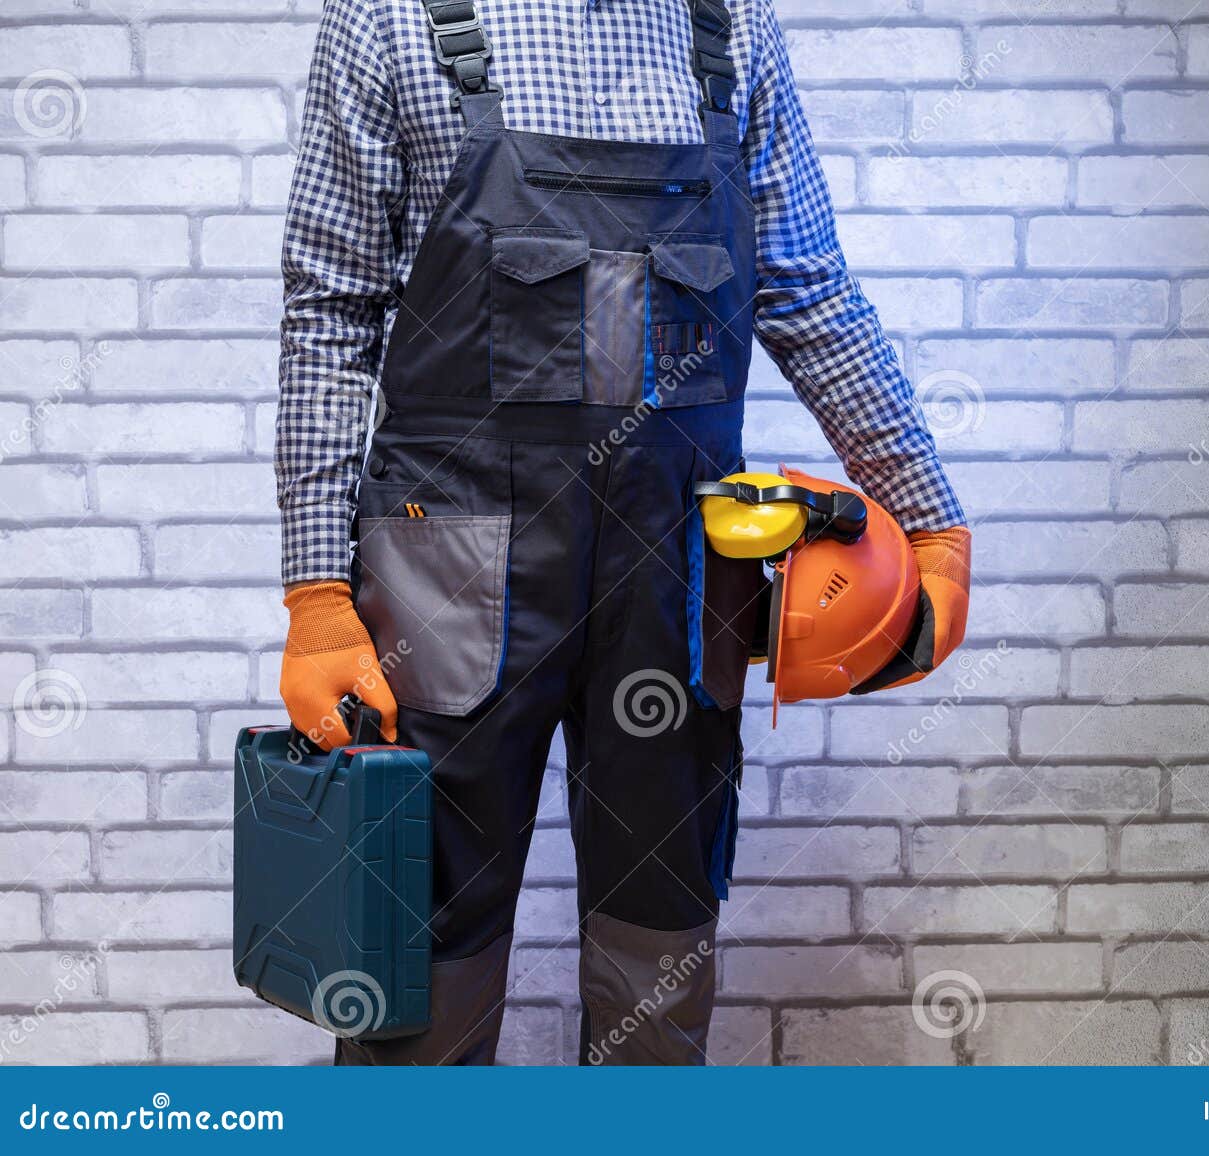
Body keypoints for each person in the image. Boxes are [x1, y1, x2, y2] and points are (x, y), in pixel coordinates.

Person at [274, 0, 970, 1065]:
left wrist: (925, 516)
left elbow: (804, 282)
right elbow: (332, 304)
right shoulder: (395, 17)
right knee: (418, 952)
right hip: (448, 575)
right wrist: (318, 595)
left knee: (663, 938)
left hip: (675, 576)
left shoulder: (729, 25)